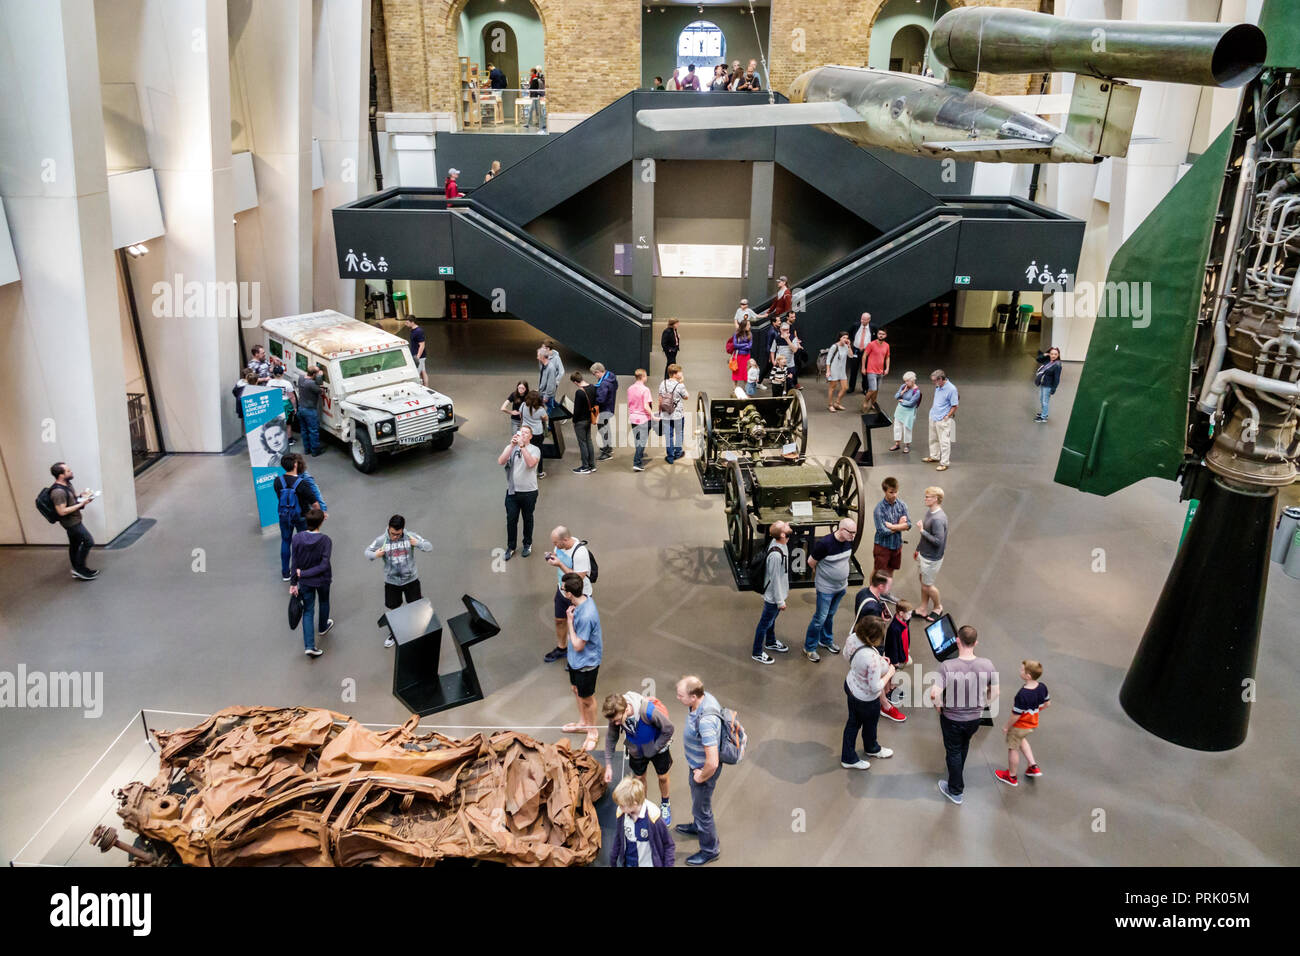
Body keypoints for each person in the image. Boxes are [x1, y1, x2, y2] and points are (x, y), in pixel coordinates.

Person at [928, 625, 999, 805]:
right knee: (964, 744)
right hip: (974, 718)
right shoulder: (988, 664)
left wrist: (939, 706)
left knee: (953, 750)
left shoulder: (947, 666)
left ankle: (955, 790)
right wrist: (983, 703)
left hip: (952, 718)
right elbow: (996, 692)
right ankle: (957, 769)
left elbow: (934, 694)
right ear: (976, 643)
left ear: (957, 640)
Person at [603, 691, 675, 822]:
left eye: (618, 720)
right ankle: (644, 804)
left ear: (627, 709)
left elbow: (669, 728)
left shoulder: (647, 711)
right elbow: (611, 738)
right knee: (640, 777)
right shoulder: (615, 716)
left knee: (663, 777)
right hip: (636, 748)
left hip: (657, 747)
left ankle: (665, 803)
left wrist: (656, 747)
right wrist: (608, 765)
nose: (617, 724)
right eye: (614, 721)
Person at [674, 675, 723, 865]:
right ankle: (697, 826)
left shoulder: (705, 721)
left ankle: (710, 849)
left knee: (702, 810)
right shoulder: (705, 698)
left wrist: (701, 777)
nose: (678, 698)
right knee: (698, 803)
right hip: (696, 766)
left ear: (693, 696)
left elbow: (712, 762)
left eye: (681, 695)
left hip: (703, 770)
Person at [365, 514, 434, 647]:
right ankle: (394, 633)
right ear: (389, 528)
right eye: (392, 533)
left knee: (415, 605)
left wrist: (418, 543)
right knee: (394, 608)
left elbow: (429, 546)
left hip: (411, 580)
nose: (394, 537)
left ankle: (418, 631)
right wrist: (375, 554)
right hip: (392, 582)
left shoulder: (410, 536)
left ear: (402, 529)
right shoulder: (382, 540)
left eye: (397, 534)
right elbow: (367, 552)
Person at [841, 616, 895, 769]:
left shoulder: (852, 638)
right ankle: (868, 749)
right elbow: (875, 687)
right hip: (865, 699)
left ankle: (852, 754)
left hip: (851, 685)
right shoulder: (871, 660)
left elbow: (846, 655)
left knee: (853, 722)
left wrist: (876, 659)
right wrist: (889, 672)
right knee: (869, 723)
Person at [803, 518, 856, 662]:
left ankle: (825, 640)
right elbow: (811, 562)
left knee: (830, 615)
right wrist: (825, 576)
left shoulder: (848, 541)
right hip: (826, 589)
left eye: (854, 533)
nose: (853, 536)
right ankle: (809, 647)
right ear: (841, 530)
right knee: (820, 618)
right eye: (851, 533)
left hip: (841, 587)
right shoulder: (825, 544)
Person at [559, 572, 602, 751]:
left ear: (569, 593)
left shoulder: (586, 615)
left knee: (587, 698)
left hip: (586, 663)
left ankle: (593, 731)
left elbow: (577, 645)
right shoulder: (580, 602)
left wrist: (569, 621)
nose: (561, 590)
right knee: (575, 689)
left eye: (563, 588)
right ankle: (583, 722)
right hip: (575, 661)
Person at [995, 660, 1050, 787]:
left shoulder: (1022, 694)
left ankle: (1011, 776)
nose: (1020, 671)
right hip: (1032, 723)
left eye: (1022, 670)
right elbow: (1047, 703)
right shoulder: (1042, 687)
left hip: (1019, 726)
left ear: (1028, 676)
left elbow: (1016, 715)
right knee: (1022, 740)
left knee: (1013, 748)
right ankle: (1033, 766)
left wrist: (1006, 727)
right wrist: (1034, 711)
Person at [543, 526, 592, 663]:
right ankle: (562, 648)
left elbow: (579, 577)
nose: (554, 546)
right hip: (562, 591)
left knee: (578, 628)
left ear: (564, 540)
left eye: (555, 543)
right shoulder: (560, 547)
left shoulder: (580, 552)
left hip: (578, 596)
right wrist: (553, 557)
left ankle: (577, 655)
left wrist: (559, 564)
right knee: (559, 620)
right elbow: (559, 558)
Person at [289, 506, 332, 658]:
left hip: (305, 582)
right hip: (322, 580)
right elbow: (324, 565)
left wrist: (294, 582)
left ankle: (309, 646)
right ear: (320, 523)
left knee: (308, 610)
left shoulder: (297, 538)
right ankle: (323, 627)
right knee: (324, 601)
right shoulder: (325, 541)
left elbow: (294, 562)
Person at [273, 453, 324, 582]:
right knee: (305, 543)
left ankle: (286, 573)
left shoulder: (277, 481)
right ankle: (305, 570)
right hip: (301, 517)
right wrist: (320, 514)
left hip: (284, 516)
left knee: (286, 541)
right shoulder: (301, 484)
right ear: (295, 464)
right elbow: (315, 503)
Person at [609, 776, 675, 867]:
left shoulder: (653, 817)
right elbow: (618, 838)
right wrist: (613, 860)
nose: (620, 808)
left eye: (622, 805)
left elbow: (668, 845)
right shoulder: (622, 813)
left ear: (634, 803)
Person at [47, 462, 98, 580]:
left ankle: (77, 567)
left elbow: (73, 499)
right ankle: (79, 569)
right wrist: (82, 503)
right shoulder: (57, 492)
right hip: (71, 523)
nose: (71, 472)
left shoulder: (67, 484)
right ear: (61, 475)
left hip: (75, 519)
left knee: (74, 544)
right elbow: (62, 511)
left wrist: (84, 496)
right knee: (88, 541)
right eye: (68, 471)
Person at [750, 520, 792, 664]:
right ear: (781, 534)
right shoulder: (775, 555)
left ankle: (771, 641)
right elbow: (775, 580)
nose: (788, 525)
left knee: (771, 620)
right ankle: (756, 652)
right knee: (764, 624)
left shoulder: (781, 543)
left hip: (778, 594)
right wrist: (780, 601)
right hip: (773, 597)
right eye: (785, 526)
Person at [498, 425, 540, 561]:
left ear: (530, 436)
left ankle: (527, 544)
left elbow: (531, 464)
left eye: (526, 432)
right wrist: (511, 446)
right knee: (511, 520)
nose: (523, 434)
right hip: (512, 492)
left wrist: (522, 447)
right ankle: (511, 547)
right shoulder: (511, 448)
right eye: (521, 432)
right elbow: (501, 461)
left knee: (527, 518)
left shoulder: (535, 449)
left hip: (529, 492)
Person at [914, 486, 948, 619]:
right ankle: (923, 608)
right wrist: (918, 548)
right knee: (923, 581)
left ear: (935, 499)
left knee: (928, 586)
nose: (925, 498)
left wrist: (922, 530)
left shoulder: (938, 519)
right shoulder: (930, 512)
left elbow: (938, 541)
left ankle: (938, 606)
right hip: (924, 554)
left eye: (927, 497)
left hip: (931, 558)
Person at [872, 476, 910, 573]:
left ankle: (886, 588)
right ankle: (873, 588)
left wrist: (892, 527)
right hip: (883, 547)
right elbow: (882, 531)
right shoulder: (879, 509)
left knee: (890, 570)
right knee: (878, 572)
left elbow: (909, 524)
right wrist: (901, 526)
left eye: (896, 492)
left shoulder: (902, 505)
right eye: (891, 492)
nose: (894, 495)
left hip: (896, 545)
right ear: (885, 491)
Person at [922, 369, 958, 471]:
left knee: (944, 442)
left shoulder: (951, 389)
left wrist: (947, 416)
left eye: (935, 381)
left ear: (941, 379)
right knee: (933, 438)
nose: (933, 383)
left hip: (943, 419)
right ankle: (934, 456)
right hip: (933, 416)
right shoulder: (938, 386)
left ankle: (944, 463)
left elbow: (955, 405)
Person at [656, 364, 688, 463]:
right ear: (675, 374)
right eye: (680, 372)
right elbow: (686, 397)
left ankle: (670, 457)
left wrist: (660, 412)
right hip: (677, 415)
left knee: (668, 436)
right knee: (679, 433)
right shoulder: (680, 385)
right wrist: (682, 382)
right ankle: (678, 453)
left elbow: (660, 400)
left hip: (665, 414)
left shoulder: (663, 383)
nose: (681, 373)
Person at [569, 370, 598, 475]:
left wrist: (574, 421)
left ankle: (585, 466)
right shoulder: (592, 387)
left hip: (580, 421)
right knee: (588, 441)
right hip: (589, 418)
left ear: (575, 382)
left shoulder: (579, 392)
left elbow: (576, 410)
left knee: (582, 443)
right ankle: (592, 465)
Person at [519, 389, 549, 478]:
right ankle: (540, 472)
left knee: (525, 450)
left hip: (525, 433)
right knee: (538, 451)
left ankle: (525, 470)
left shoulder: (523, 405)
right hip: (537, 433)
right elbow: (545, 418)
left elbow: (520, 415)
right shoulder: (540, 409)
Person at [888, 372, 921, 453]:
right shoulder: (903, 386)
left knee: (907, 428)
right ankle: (897, 444)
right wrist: (902, 392)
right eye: (905, 381)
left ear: (913, 381)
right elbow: (896, 396)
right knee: (897, 427)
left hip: (909, 412)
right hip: (900, 410)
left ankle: (907, 445)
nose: (906, 383)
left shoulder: (917, 392)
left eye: (907, 381)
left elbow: (911, 404)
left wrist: (902, 401)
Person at [627, 369, 653, 471]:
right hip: (643, 418)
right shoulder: (645, 390)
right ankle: (637, 463)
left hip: (633, 418)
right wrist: (653, 416)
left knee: (637, 439)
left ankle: (640, 454)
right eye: (646, 376)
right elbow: (647, 405)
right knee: (642, 440)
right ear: (642, 377)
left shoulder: (630, 388)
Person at [591, 363, 618, 461]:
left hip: (603, 410)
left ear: (598, 372)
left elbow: (600, 399)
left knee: (603, 430)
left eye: (594, 374)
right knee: (606, 428)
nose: (595, 376)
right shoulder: (611, 376)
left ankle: (606, 453)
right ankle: (608, 447)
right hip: (610, 407)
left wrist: (593, 399)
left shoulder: (604, 384)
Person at [296, 364, 324, 456]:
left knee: (304, 430)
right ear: (314, 375)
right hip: (310, 410)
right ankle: (315, 451)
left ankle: (307, 449)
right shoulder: (311, 384)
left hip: (301, 408)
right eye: (317, 373)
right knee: (313, 431)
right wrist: (320, 377)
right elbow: (321, 391)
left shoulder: (301, 378)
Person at [861, 327, 891, 413]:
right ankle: (865, 402)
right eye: (879, 334)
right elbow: (864, 356)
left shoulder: (887, 345)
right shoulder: (871, 344)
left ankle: (873, 403)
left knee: (876, 389)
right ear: (877, 334)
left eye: (883, 334)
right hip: (871, 370)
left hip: (880, 371)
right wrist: (863, 367)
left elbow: (887, 357)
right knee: (872, 389)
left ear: (885, 335)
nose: (881, 335)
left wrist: (887, 368)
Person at [770, 320, 801, 391]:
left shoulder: (793, 338)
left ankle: (788, 398)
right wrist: (773, 361)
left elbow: (795, 350)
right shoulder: (777, 338)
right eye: (784, 330)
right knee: (779, 384)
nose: (786, 331)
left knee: (790, 384)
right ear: (780, 330)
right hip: (779, 366)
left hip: (790, 365)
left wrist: (787, 339)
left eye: (787, 330)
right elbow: (772, 351)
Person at [1034, 346, 1062, 422]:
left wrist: (1053, 389)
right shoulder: (1048, 360)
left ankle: (1043, 417)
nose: (1053, 356)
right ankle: (1044, 413)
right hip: (1043, 383)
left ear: (1058, 355)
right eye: (1052, 354)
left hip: (1048, 386)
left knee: (1045, 401)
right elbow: (1038, 359)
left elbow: (1057, 378)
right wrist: (1045, 354)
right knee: (1041, 399)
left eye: (1055, 354)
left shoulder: (1057, 365)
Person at [826, 331, 851, 412]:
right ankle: (830, 405)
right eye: (844, 337)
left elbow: (851, 355)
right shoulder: (834, 346)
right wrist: (828, 371)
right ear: (840, 338)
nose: (845, 339)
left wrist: (849, 346)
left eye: (847, 338)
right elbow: (828, 360)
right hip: (834, 370)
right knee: (832, 388)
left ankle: (837, 403)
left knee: (845, 387)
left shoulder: (846, 346)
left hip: (842, 371)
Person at [848, 312, 872, 394]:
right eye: (862, 319)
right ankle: (851, 387)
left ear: (869, 320)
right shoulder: (855, 325)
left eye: (865, 320)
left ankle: (865, 388)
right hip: (856, 350)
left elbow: (875, 338)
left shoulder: (873, 328)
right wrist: (850, 344)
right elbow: (849, 334)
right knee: (853, 369)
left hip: (867, 351)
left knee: (865, 370)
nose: (862, 321)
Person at [727, 320, 753, 393]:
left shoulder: (750, 334)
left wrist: (741, 346)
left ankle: (746, 388)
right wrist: (745, 345)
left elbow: (750, 346)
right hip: (738, 356)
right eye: (748, 325)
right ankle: (734, 387)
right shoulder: (737, 334)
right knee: (736, 371)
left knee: (746, 372)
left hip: (746, 356)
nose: (749, 326)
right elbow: (735, 345)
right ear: (744, 326)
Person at [538, 347, 563, 415]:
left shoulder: (551, 368)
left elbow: (550, 384)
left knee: (550, 409)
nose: (537, 357)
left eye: (538, 355)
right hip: (543, 391)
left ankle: (551, 424)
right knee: (551, 404)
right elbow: (542, 378)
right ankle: (561, 411)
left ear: (542, 356)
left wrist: (546, 396)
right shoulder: (542, 364)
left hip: (547, 393)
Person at [406, 316, 427, 386]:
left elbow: (422, 345)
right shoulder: (413, 330)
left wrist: (417, 357)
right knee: (423, 372)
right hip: (415, 355)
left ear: (412, 322)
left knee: (417, 373)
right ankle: (426, 387)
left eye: (407, 322)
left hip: (419, 357)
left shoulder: (419, 331)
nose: (406, 323)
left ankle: (419, 387)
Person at [524, 67, 546, 131]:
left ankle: (542, 124)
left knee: (538, 111)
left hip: (536, 97)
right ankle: (529, 123)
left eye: (530, 72)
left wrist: (528, 89)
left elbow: (533, 88)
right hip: (535, 96)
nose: (529, 73)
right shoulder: (534, 78)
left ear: (533, 72)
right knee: (535, 110)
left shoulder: (535, 79)